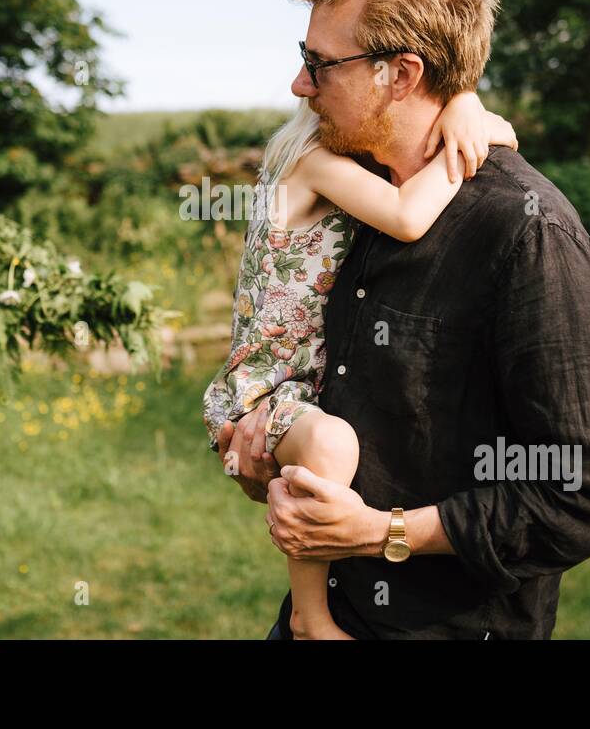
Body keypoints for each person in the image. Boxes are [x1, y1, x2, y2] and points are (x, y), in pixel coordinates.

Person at [219, 0, 590, 640]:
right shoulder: (360, 206)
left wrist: (382, 532)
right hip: (326, 615)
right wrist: (259, 458)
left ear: (401, 75)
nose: (299, 85)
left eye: (320, 65)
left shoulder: (526, 235)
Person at [203, 86, 518, 639]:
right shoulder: (311, 162)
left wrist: (465, 102)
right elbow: (406, 215)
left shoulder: (346, 161)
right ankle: (310, 617)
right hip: (269, 383)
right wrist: (475, 137)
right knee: (332, 445)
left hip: (308, 374)